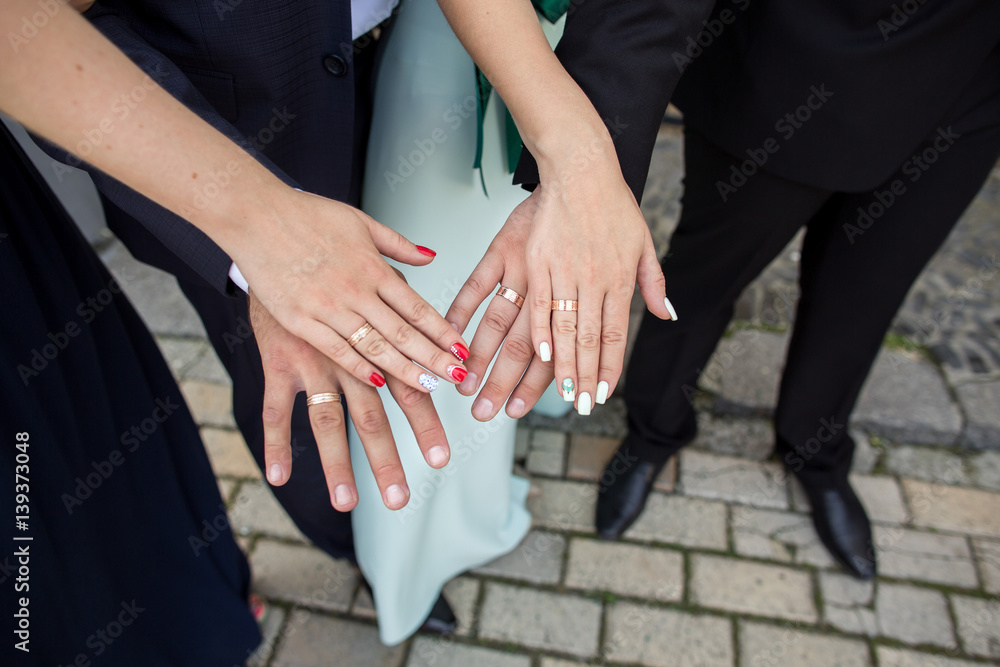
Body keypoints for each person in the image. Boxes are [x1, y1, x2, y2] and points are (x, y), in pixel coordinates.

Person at [43, 0, 701, 643]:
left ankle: (421, 526)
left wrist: (580, 156)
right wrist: (255, 243)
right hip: (223, 123)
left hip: (431, 65)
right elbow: (38, 28)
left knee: (441, 340)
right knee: (314, 402)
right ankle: (355, 548)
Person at [594, 0, 1000, 579]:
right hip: (796, 56)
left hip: (966, 80)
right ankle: (652, 432)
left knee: (864, 298)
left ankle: (815, 451)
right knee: (704, 276)